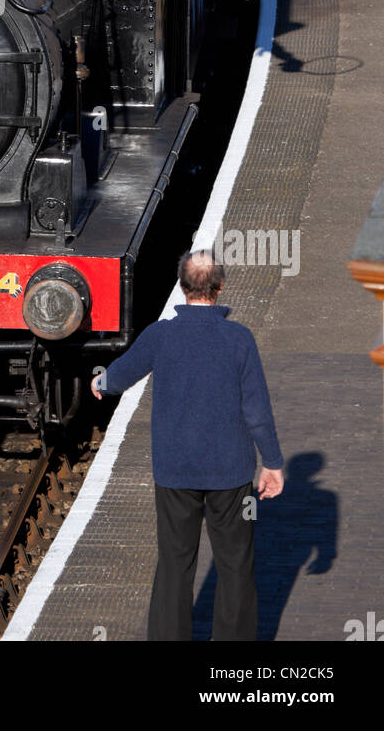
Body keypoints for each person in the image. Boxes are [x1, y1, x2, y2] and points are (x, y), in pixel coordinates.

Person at [91, 250, 284, 641]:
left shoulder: (160, 335)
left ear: (182, 287)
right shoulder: (240, 339)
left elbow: (119, 375)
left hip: (175, 472)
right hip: (230, 474)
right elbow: (257, 408)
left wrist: (102, 382)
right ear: (220, 287)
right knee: (235, 565)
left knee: (175, 564)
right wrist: (273, 462)